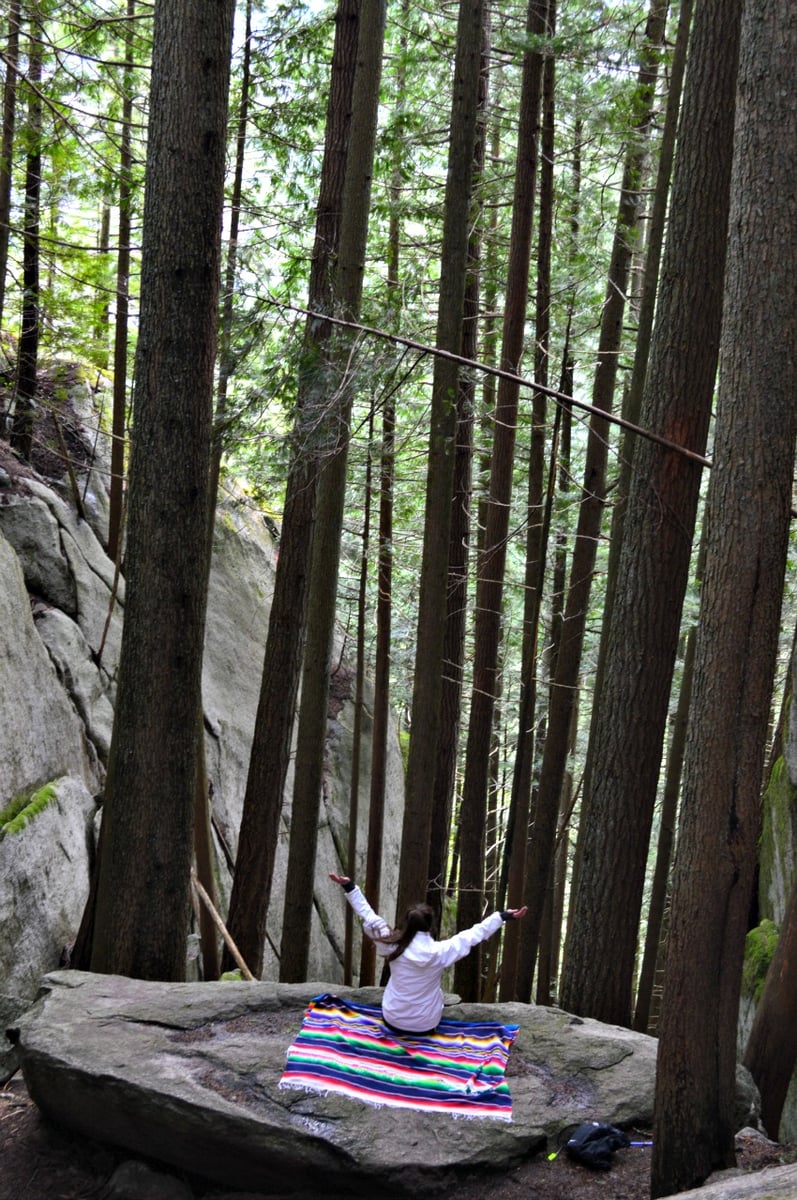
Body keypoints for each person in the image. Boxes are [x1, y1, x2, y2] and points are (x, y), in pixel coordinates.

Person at [329, 872, 527, 1036]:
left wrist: (350, 887)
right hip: (425, 1025)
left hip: (392, 1019)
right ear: (431, 924)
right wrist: (502, 916)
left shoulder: (392, 944)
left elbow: (369, 916)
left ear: (405, 922)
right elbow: (473, 935)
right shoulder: (439, 952)